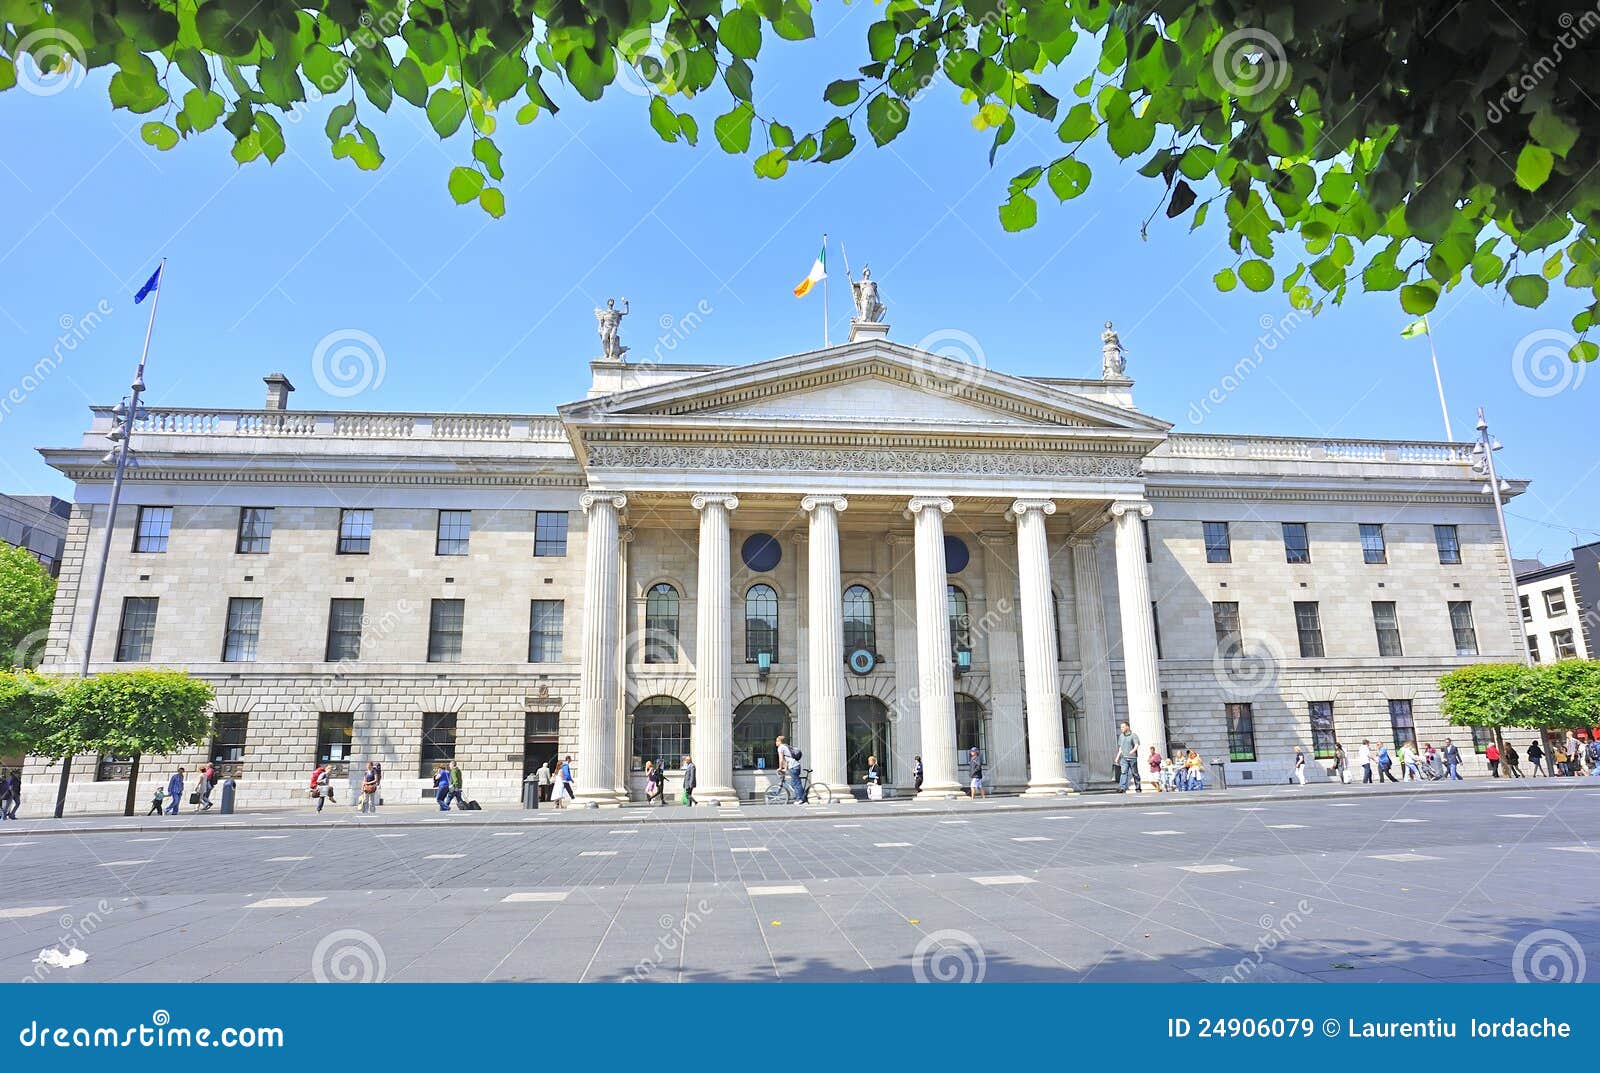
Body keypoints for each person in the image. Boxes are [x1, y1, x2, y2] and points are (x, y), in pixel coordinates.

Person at [777, 735, 805, 804]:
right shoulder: (786, 746)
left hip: (793, 767)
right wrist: (785, 768)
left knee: (796, 783)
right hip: (795, 766)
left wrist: (780, 768)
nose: (776, 743)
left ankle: (800, 799)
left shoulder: (780, 748)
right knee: (793, 783)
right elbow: (786, 759)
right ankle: (802, 796)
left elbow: (781, 759)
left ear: (780, 741)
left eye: (777, 741)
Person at [1116, 721, 1141, 793]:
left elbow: (1136, 745)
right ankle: (1122, 787)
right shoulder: (1121, 736)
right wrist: (1117, 757)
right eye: (1121, 727)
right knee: (1123, 772)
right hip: (1124, 758)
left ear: (1128, 727)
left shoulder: (1133, 735)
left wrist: (1133, 751)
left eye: (1123, 727)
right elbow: (1120, 747)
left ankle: (1138, 787)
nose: (1121, 728)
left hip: (1132, 758)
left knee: (1135, 773)